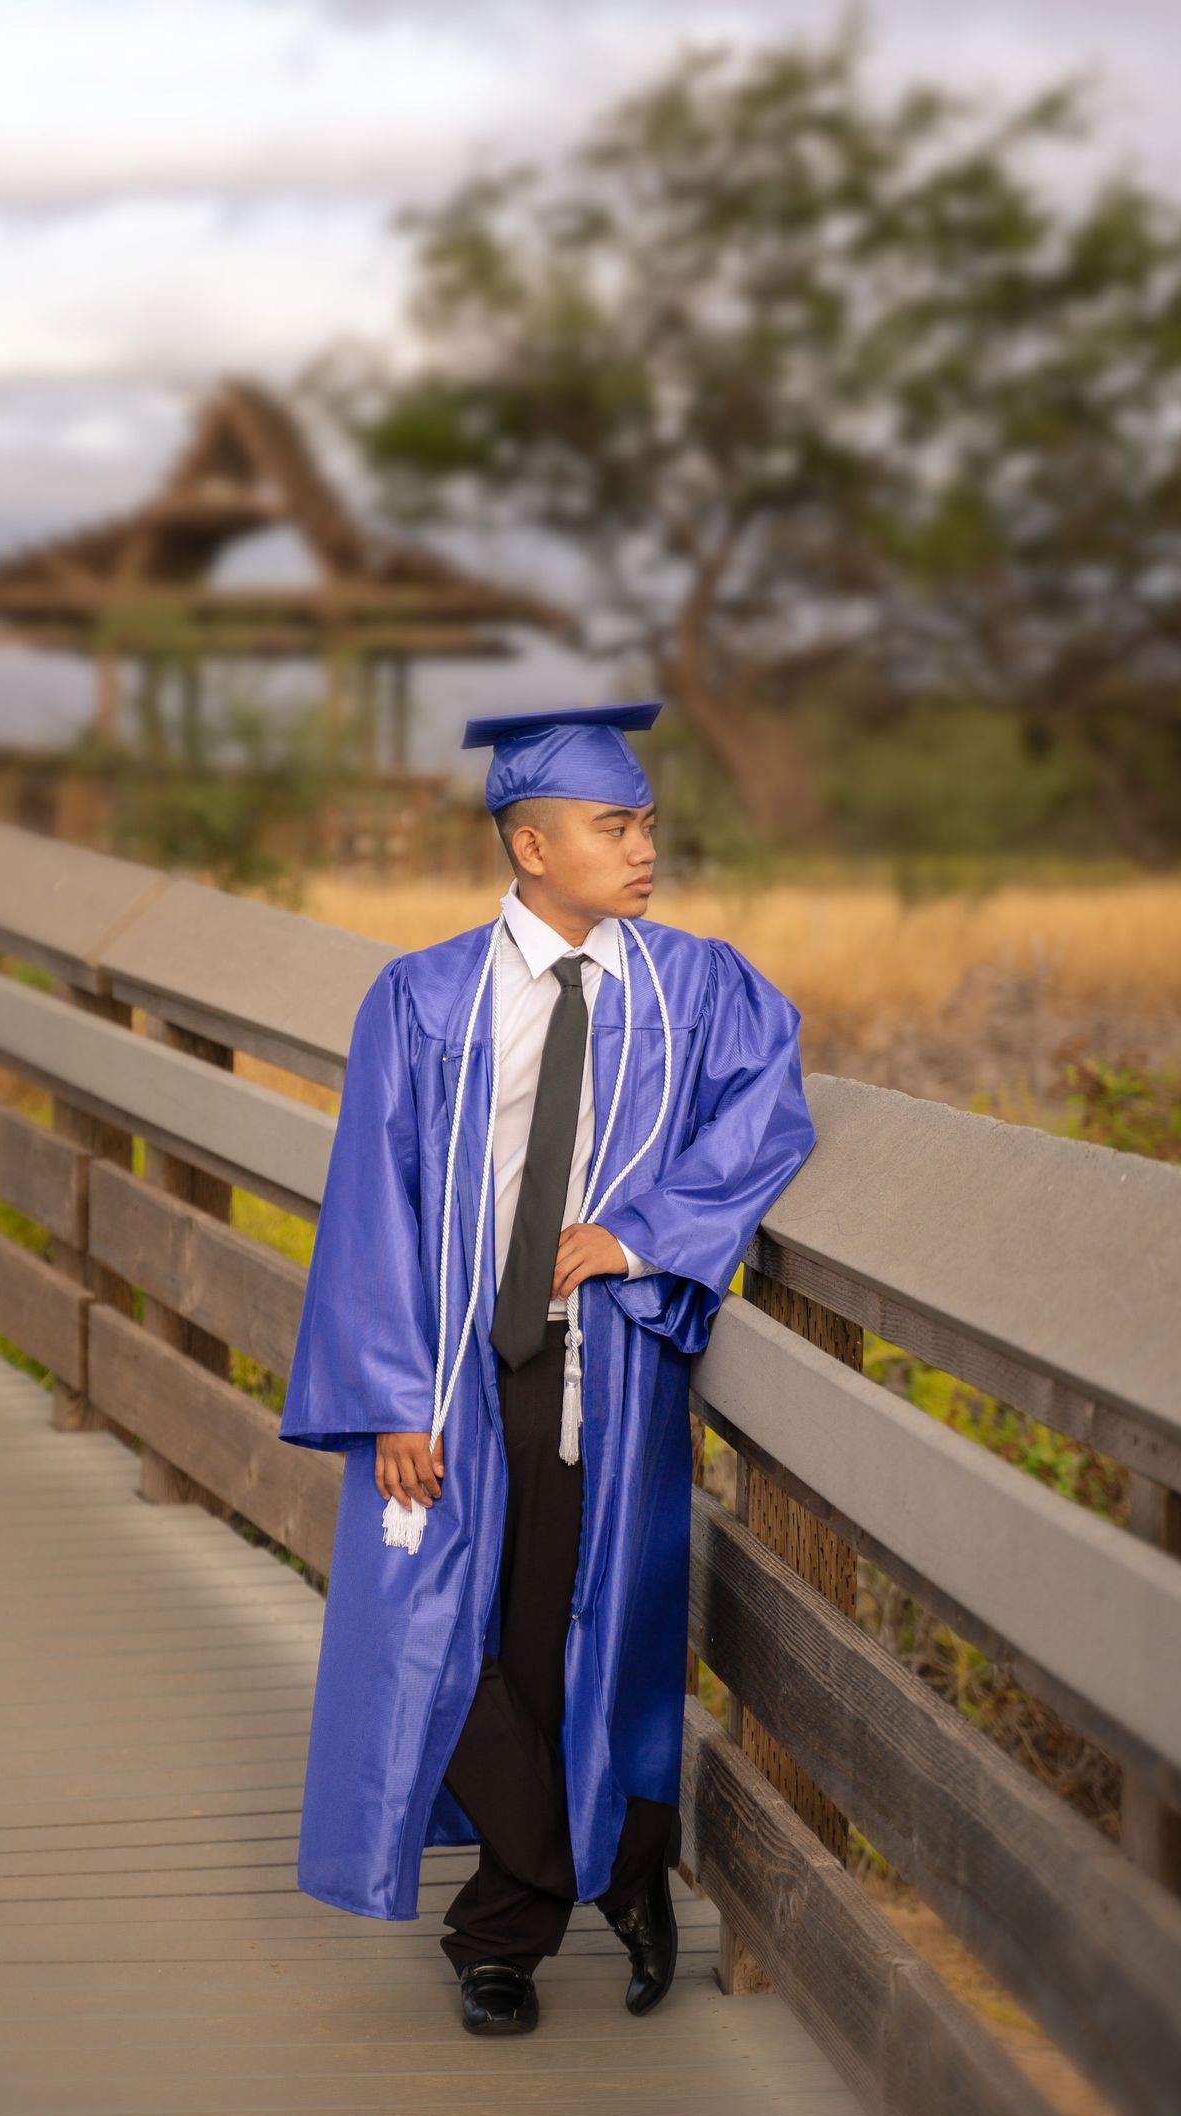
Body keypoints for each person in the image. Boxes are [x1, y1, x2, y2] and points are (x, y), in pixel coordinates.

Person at [278, 701, 817, 2036]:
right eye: (612, 825)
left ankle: (522, 1929)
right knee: (433, 1629)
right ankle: (588, 1884)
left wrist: (645, 1231)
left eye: (644, 823)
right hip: (454, 1369)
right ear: (531, 842)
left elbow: (771, 1108)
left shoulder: (699, 986)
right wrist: (393, 1392)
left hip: (605, 1373)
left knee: (573, 1632)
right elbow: (374, 1200)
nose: (645, 846)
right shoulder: (423, 997)